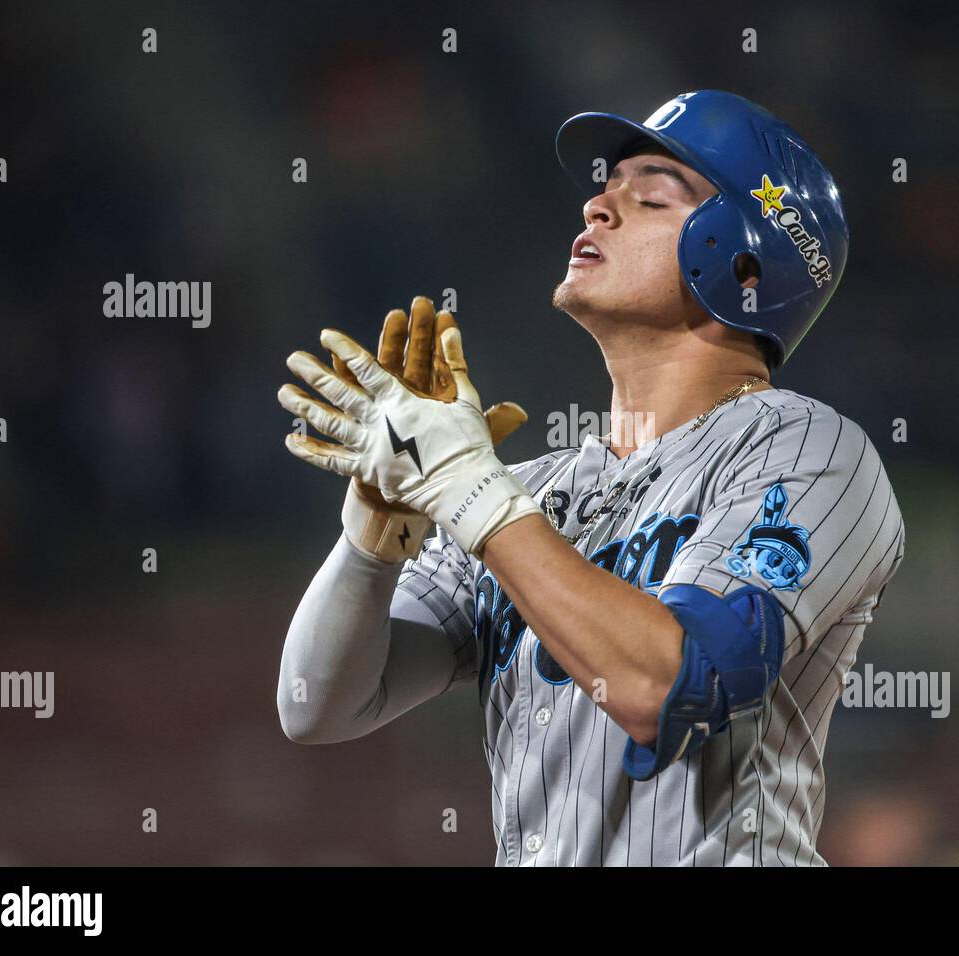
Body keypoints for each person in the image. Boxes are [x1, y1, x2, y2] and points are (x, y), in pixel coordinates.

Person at [275, 90, 906, 866]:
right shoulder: (529, 493)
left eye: (648, 194)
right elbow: (318, 704)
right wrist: (374, 537)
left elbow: (674, 685)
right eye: (607, 186)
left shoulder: (808, 448)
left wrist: (471, 488)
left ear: (743, 263)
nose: (598, 204)